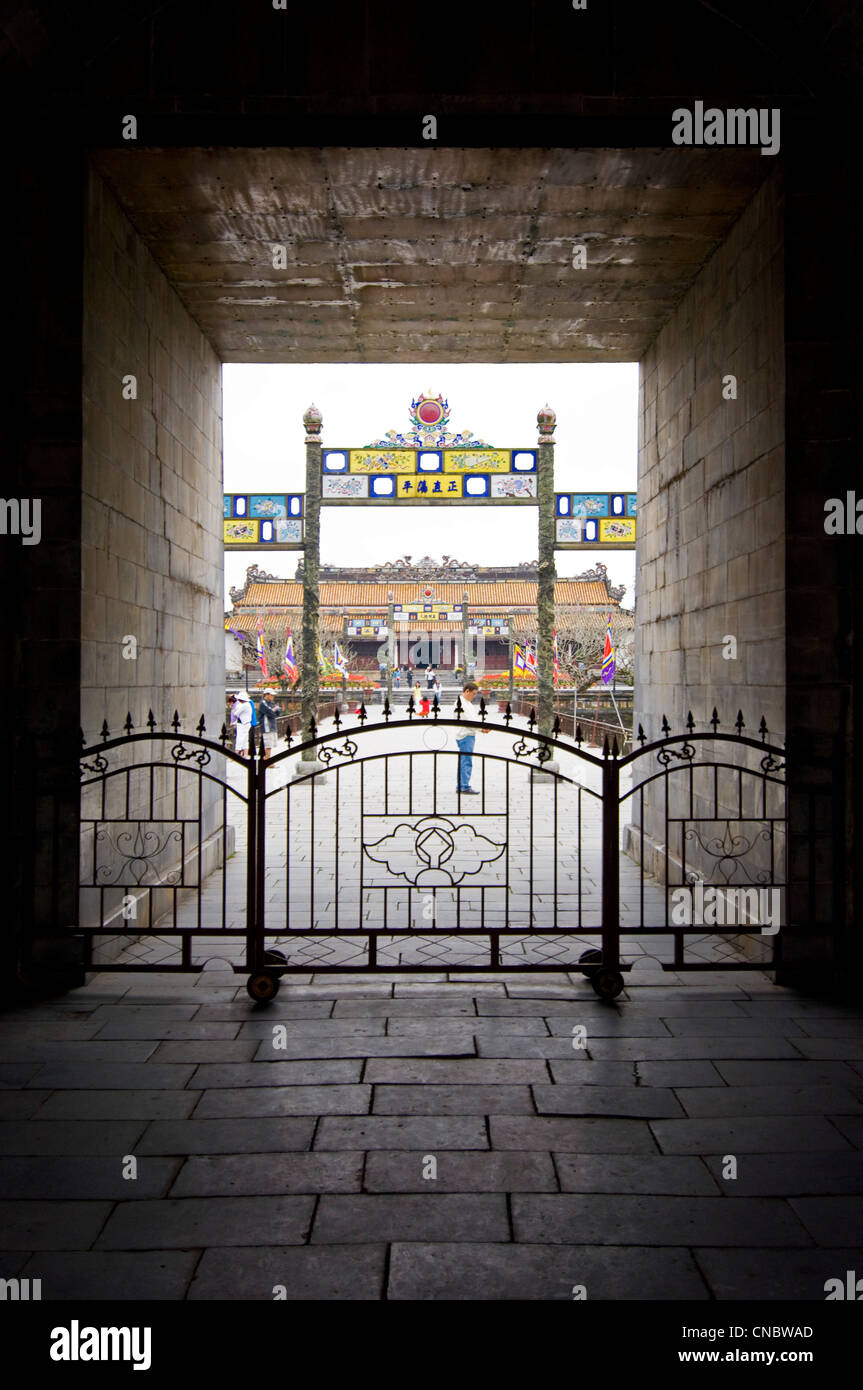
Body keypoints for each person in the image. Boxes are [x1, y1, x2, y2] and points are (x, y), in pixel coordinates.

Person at [455, 681, 489, 794]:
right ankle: (464, 786)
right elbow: (468, 721)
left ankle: (461, 785)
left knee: (464, 760)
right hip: (465, 735)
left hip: (469, 734)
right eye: (473, 693)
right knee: (466, 761)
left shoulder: (467, 703)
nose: (474, 696)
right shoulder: (461, 703)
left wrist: (482, 727)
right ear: (467, 691)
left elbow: (473, 719)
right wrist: (481, 729)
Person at [258, 688, 280, 759]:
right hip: (266, 726)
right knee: (268, 744)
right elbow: (269, 712)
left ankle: (267, 758)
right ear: (266, 695)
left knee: (271, 744)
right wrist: (274, 710)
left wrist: (274, 710)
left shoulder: (272, 703)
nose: (273, 697)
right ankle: (267, 759)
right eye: (271, 695)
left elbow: (277, 712)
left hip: (272, 725)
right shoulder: (263, 703)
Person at [233, 691, 253, 756]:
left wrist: (236, 709)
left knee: (239, 739)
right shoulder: (247, 704)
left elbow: (235, 713)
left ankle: (236, 754)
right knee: (245, 740)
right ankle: (245, 754)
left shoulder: (244, 705)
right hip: (245, 723)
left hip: (243, 724)